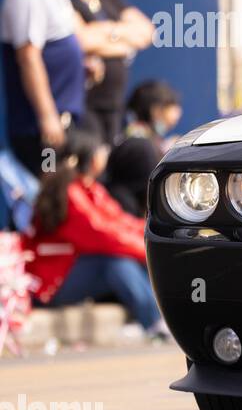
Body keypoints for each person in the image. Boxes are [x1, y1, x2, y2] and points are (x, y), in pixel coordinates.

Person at [22, 129, 168, 338]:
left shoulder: (90, 189)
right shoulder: (70, 194)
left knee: (125, 260)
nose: (105, 154)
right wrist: (147, 250)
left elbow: (120, 222)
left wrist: (154, 240)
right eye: (101, 150)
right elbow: (103, 235)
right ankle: (154, 323)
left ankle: (161, 318)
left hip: (71, 271)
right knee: (115, 264)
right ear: (89, 157)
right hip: (52, 283)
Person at [1, 0, 90, 177]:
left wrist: (81, 65)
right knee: (49, 204)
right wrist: (47, 116)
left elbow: (64, 40)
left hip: (62, 121)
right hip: (39, 129)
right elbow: (28, 56)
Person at [65, 0, 155, 145]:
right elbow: (83, 40)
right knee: (94, 158)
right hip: (85, 103)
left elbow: (147, 32)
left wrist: (106, 32)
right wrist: (124, 43)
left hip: (114, 104)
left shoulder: (109, 0)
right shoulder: (65, 1)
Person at [106, 80, 182, 217]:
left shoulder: (145, 140)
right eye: (172, 107)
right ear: (155, 111)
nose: (177, 114)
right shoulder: (141, 145)